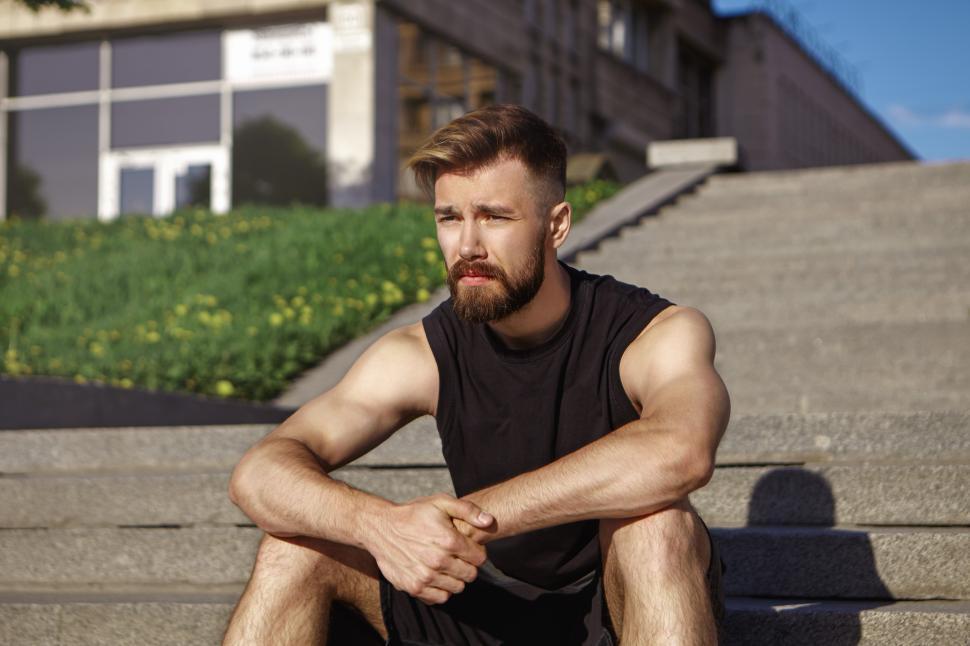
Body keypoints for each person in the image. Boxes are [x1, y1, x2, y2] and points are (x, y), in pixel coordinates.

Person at [223, 104, 730, 646]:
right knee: (293, 546)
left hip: (616, 599)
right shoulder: (420, 353)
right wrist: (380, 525)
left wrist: (466, 522)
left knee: (657, 528)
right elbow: (259, 474)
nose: (467, 247)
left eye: (494, 217)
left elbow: (680, 451)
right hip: (482, 597)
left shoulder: (650, 332)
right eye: (449, 218)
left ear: (556, 225)